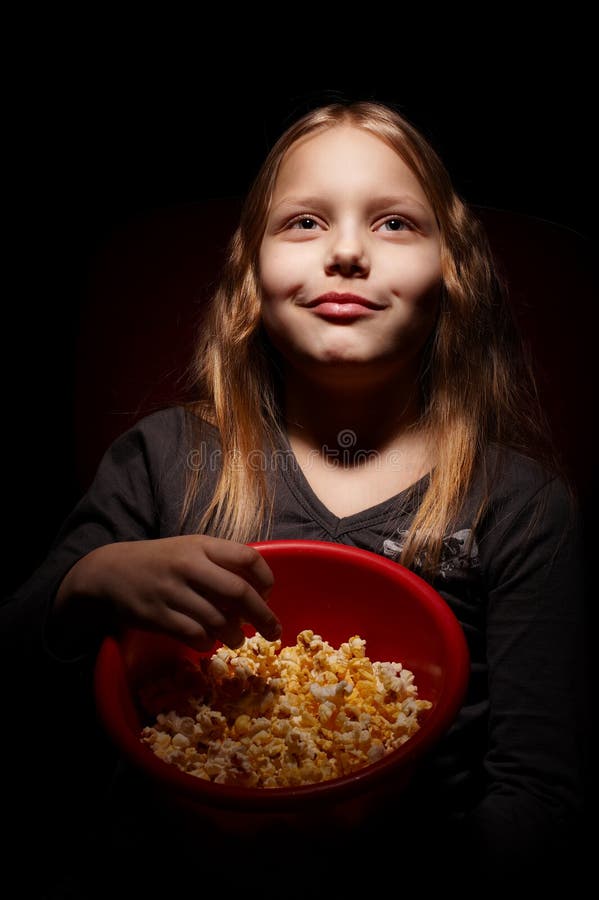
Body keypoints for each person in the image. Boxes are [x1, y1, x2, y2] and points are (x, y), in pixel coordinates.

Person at [1, 100, 588, 895]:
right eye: (305, 222)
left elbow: (536, 792)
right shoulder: (165, 460)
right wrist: (92, 578)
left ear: (454, 272)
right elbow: (10, 669)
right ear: (248, 276)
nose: (346, 252)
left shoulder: (518, 505)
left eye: (394, 224)